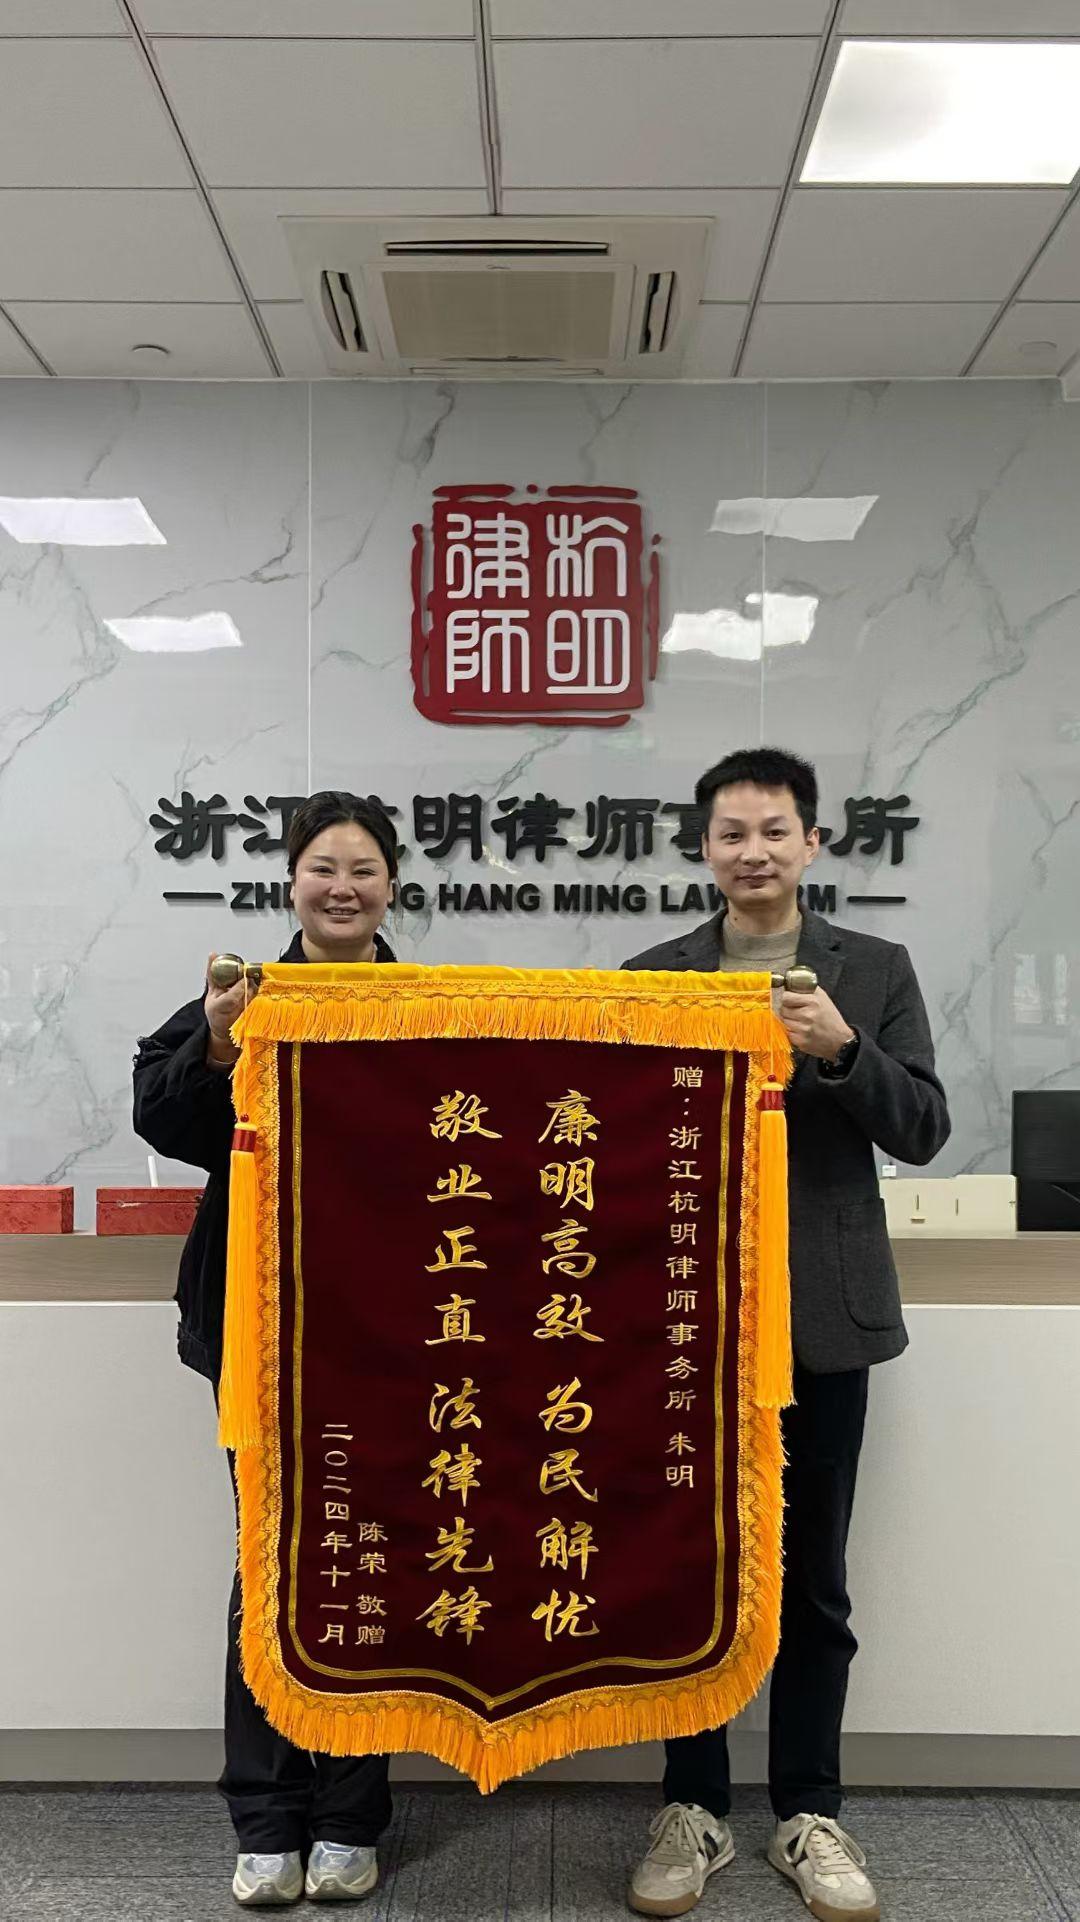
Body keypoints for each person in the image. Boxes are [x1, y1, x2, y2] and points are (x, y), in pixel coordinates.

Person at [623, 747, 950, 1922]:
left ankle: (809, 1811)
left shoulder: (875, 968)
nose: (752, 851)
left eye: (774, 830)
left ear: (813, 842)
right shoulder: (654, 977)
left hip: (820, 1318)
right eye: (731, 832)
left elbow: (924, 1126)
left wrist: (845, 1052)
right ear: (703, 848)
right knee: (686, 1568)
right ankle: (691, 1804)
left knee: (812, 1578)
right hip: (684, 1324)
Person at [134, 791, 401, 1909]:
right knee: (273, 1557)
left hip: (393, 1342)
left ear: (392, 886)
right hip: (259, 1330)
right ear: (291, 881)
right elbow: (166, 1117)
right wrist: (219, 1039)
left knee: (371, 1558)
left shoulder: (434, 1009)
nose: (343, 887)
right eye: (323, 867)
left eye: (364, 869)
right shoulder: (244, 997)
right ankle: (265, 1813)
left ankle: (349, 1817)